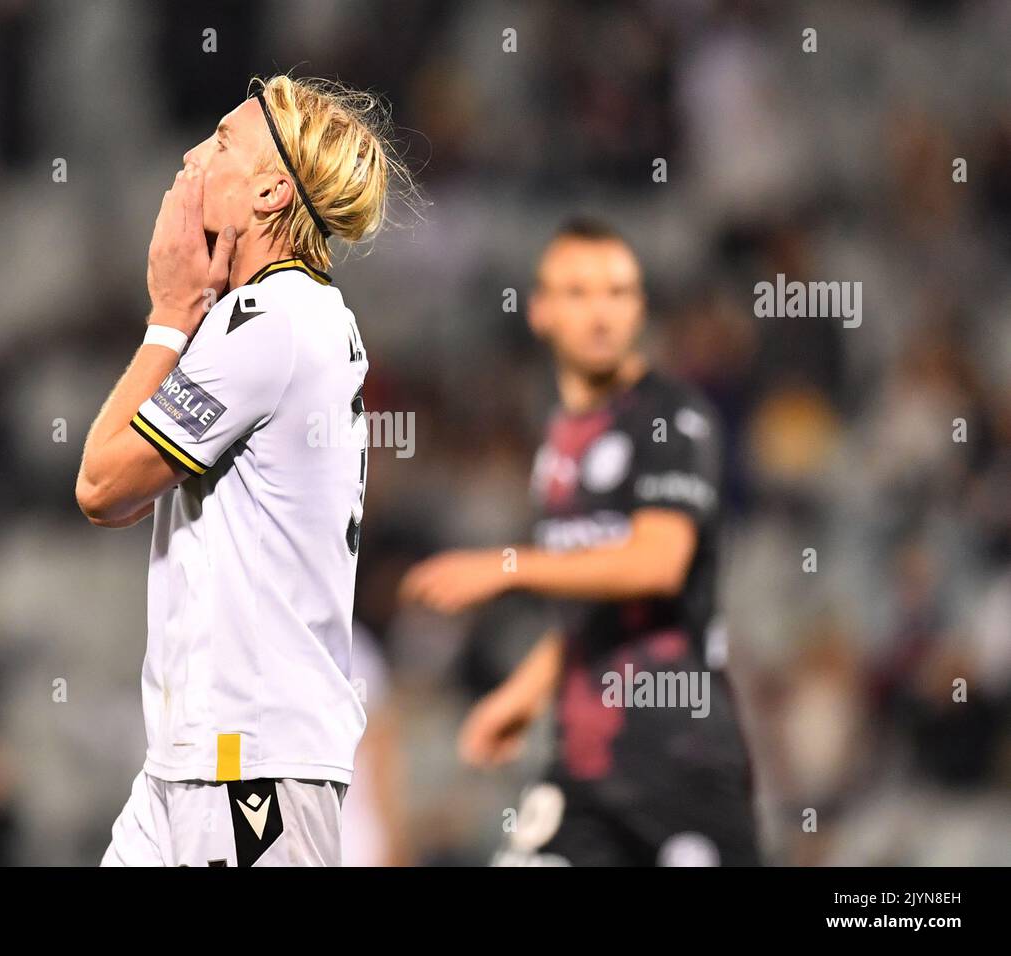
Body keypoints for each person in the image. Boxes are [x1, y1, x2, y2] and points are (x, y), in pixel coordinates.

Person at [77, 75, 408, 866]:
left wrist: (167, 314)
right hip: (193, 760)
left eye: (222, 141)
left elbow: (101, 485)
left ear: (270, 192)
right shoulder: (278, 317)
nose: (194, 155)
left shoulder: (275, 320)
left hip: (252, 764)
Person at [401, 219, 760, 866]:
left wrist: (509, 567)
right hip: (586, 768)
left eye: (618, 293)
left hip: (679, 763)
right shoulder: (564, 438)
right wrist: (527, 691)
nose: (600, 313)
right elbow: (593, 602)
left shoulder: (672, 418)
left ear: (640, 308)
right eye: (578, 292)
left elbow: (657, 563)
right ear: (539, 312)